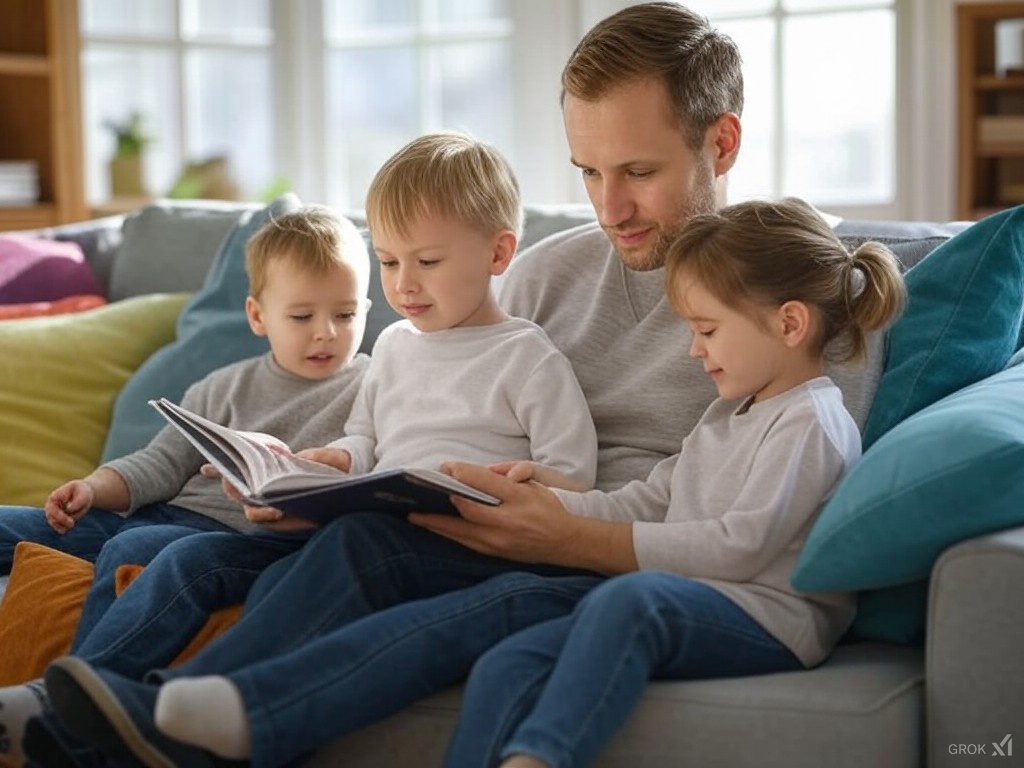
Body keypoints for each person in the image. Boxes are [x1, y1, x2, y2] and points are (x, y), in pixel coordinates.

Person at [25, 4, 886, 767]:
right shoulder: (548, 275)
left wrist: (569, 537)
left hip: (614, 555)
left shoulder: (791, 290)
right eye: (587, 172)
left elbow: (786, 496)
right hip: (483, 520)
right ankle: (160, 718)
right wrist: (322, 480)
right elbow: (438, 384)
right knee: (316, 544)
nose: (608, 207)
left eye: (638, 172)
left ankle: (160, 728)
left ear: (721, 142)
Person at [21, 129, 597, 766]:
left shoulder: (526, 356)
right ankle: (123, 726)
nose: (404, 284)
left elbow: (575, 475)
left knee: (353, 545)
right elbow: (368, 440)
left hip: (479, 545)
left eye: (427, 262)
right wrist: (331, 465)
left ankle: (166, 710)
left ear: (499, 252)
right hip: (395, 525)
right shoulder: (398, 347)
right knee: (278, 569)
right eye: (389, 261)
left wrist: (528, 480)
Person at [440, 196, 906, 768]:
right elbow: (651, 498)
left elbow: (739, 547)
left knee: (632, 601)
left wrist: (596, 545)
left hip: (771, 618)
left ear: (789, 323)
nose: (693, 348)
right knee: (507, 664)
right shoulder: (726, 414)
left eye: (707, 328)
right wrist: (551, 501)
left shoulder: (813, 424)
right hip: (706, 595)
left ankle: (539, 759)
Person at [0, 204, 373, 765]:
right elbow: (159, 464)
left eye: (345, 314)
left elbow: (371, 476)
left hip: (252, 538)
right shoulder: (222, 385)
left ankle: (69, 703)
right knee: (14, 522)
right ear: (257, 315)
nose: (326, 333)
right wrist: (94, 488)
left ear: (366, 309)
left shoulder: (372, 386)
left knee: (134, 548)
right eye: (301, 317)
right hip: (163, 512)